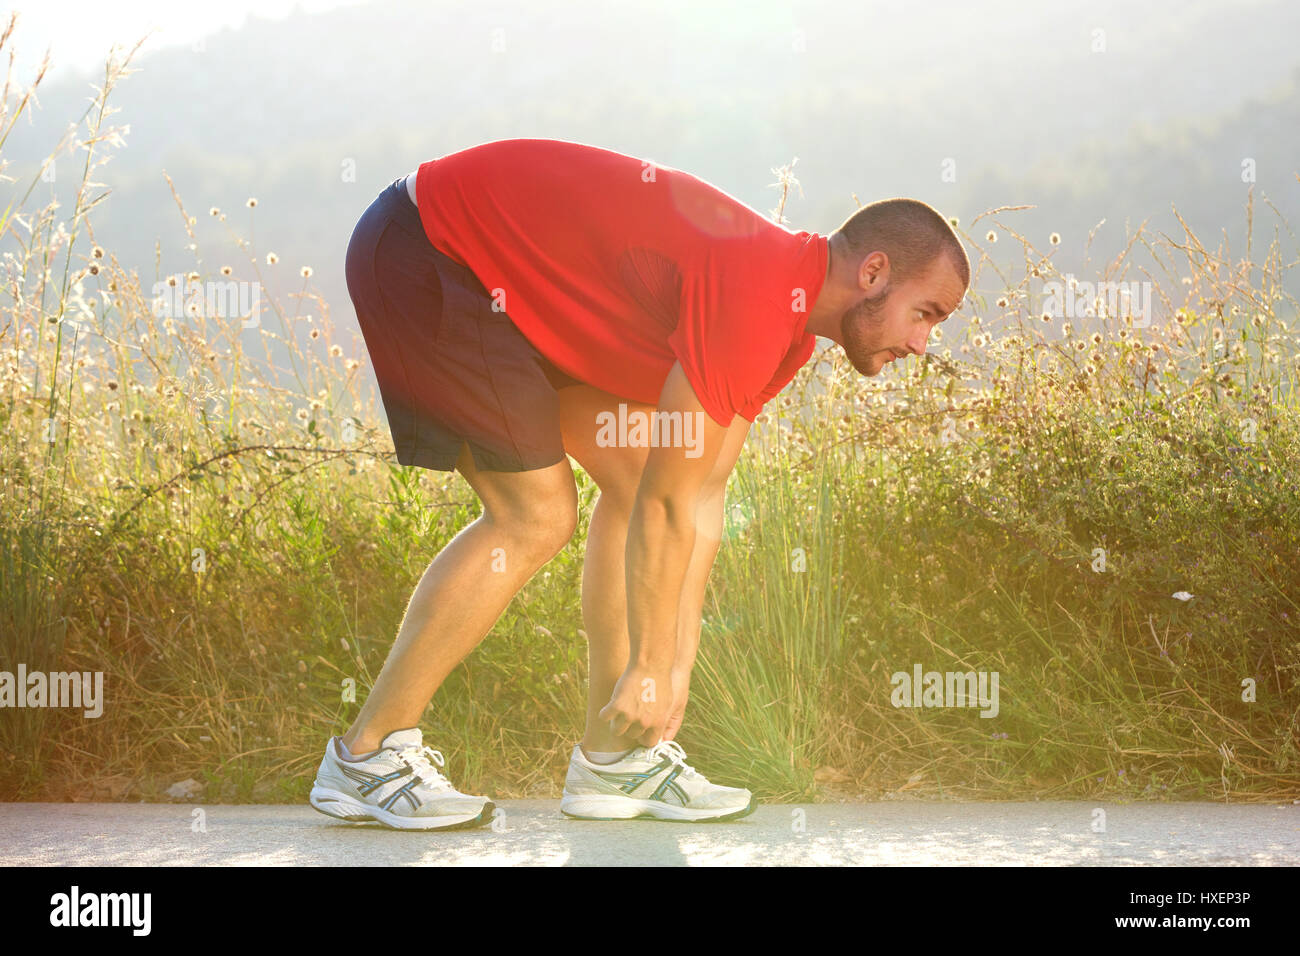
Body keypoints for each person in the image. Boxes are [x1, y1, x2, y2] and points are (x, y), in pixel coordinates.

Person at [309, 138, 969, 829]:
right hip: (431, 249)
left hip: (522, 293)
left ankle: (615, 761)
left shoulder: (791, 328)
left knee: (629, 476)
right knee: (533, 516)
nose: (922, 344)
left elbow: (700, 496)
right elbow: (670, 503)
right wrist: (652, 664)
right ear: (873, 272)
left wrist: (671, 668)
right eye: (925, 314)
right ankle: (366, 756)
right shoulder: (758, 292)